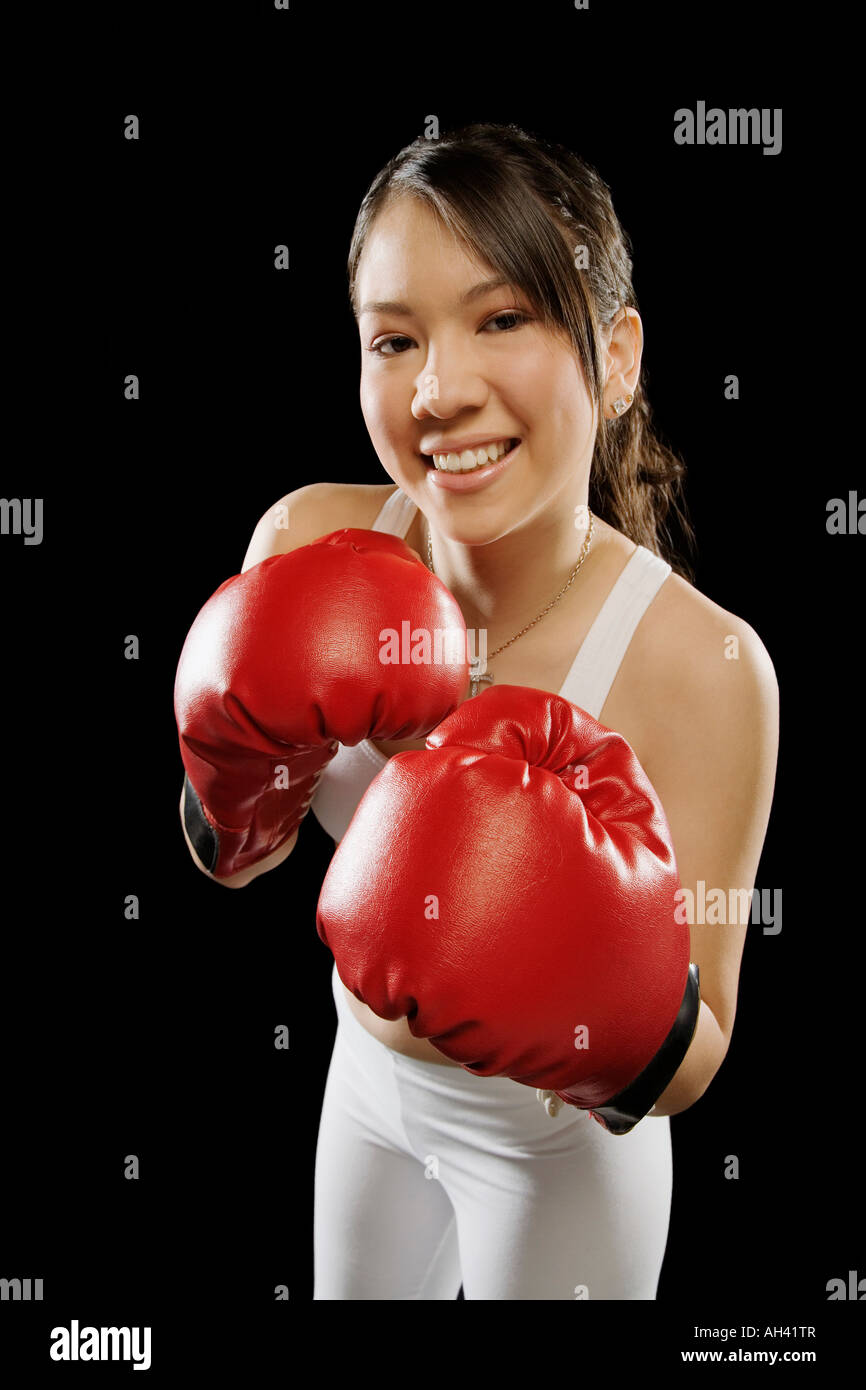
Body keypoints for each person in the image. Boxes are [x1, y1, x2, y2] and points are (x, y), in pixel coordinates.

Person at [176, 124, 779, 1299]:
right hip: (362, 1095)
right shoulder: (304, 540)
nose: (439, 390)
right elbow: (231, 864)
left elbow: (694, 1054)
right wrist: (229, 805)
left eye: (500, 319)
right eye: (393, 339)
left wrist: (566, 977)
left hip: (553, 1158)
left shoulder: (700, 664)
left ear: (614, 360)